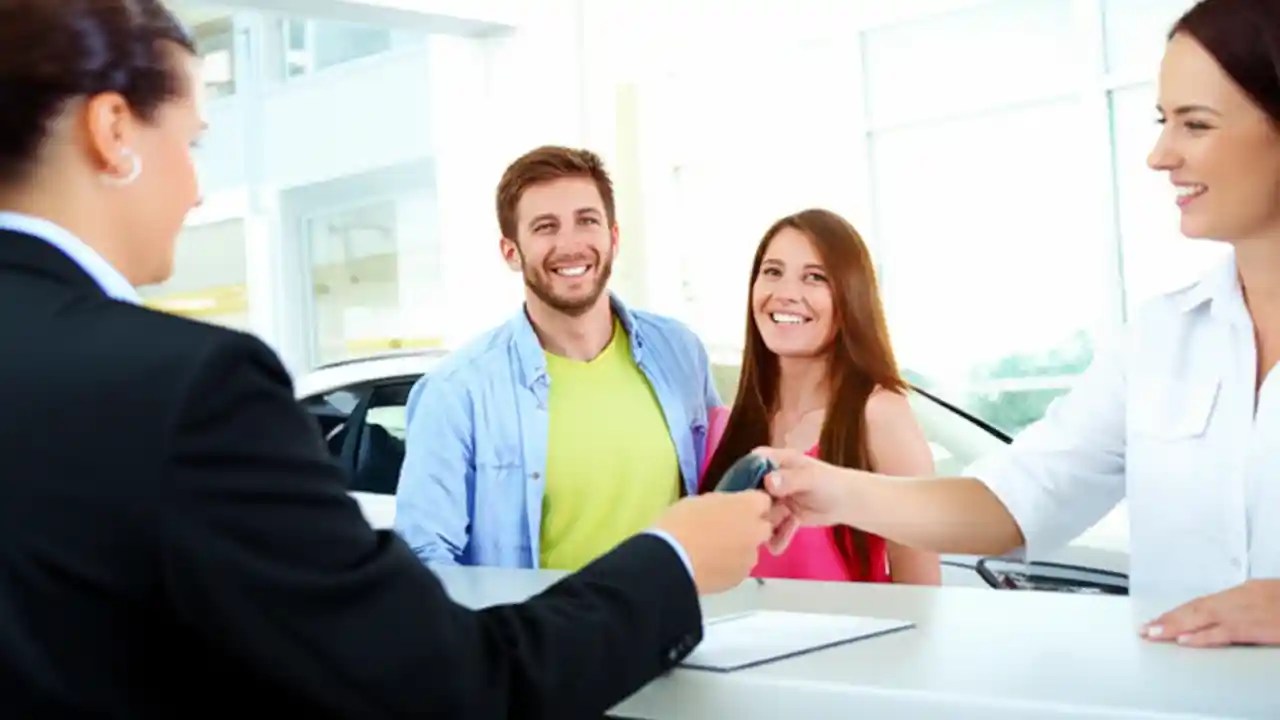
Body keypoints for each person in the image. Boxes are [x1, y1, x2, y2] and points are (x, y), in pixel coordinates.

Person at [0, 2, 779, 716]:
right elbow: (439, 682)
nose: (198, 188)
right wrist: (674, 561)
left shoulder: (673, 351)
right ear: (111, 132)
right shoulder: (192, 385)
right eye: (193, 142)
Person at [756, 0, 1280, 648]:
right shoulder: (1157, 341)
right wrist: (831, 490)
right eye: (1161, 120)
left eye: (1195, 124)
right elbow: (1013, 500)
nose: (1160, 154)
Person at [395, 145, 722, 572]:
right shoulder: (457, 393)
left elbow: (720, 500)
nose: (570, 245)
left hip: (677, 631)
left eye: (587, 221)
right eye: (545, 227)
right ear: (511, 252)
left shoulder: (679, 352)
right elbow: (425, 560)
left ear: (613, 236)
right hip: (545, 637)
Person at [699, 209, 940, 585]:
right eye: (772, 272)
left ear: (850, 295)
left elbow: (923, 595)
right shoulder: (720, 428)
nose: (786, 294)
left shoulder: (879, 417)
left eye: (814, 277)